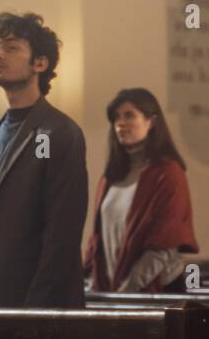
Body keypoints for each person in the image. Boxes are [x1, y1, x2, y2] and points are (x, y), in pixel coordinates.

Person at [0, 12, 88, 308]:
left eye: (11, 47)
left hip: (34, 308)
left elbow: (62, 235)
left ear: (40, 63)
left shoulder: (60, 132)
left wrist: (34, 314)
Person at [83, 88, 197, 293]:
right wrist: (94, 286)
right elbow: (97, 239)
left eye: (129, 115)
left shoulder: (168, 173)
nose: (120, 123)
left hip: (156, 289)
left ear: (151, 122)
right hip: (113, 289)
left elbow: (164, 245)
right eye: (116, 117)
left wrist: (126, 292)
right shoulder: (111, 177)